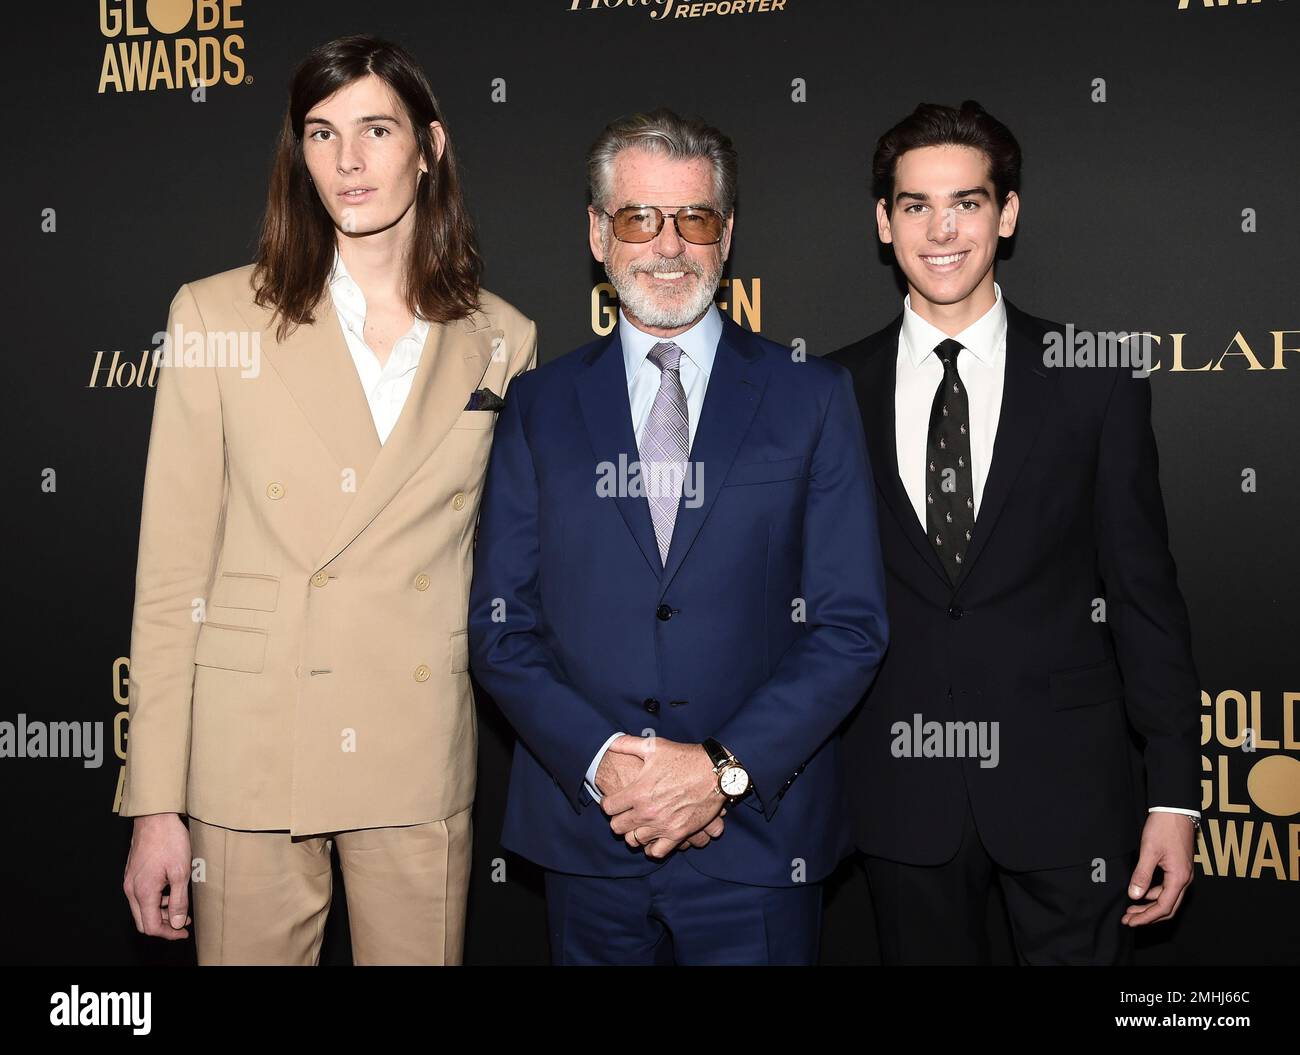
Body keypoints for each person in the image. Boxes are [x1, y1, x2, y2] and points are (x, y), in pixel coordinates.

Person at [119, 35, 536, 965]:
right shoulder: (215, 318)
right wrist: (156, 803)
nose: (347, 161)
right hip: (253, 755)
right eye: (320, 133)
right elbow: (171, 578)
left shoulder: (502, 338)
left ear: (428, 148)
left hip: (414, 747)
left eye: (375, 129)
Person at [469, 108, 888, 965]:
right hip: (591, 836)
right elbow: (503, 628)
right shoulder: (538, 408)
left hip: (761, 842)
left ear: (726, 234)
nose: (668, 246)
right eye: (638, 217)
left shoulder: (812, 398)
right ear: (598, 234)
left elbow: (850, 625)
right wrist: (605, 766)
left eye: (694, 218)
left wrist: (719, 772)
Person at [830, 100, 1201, 965]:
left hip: (1070, 792)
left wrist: (1175, 795)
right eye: (915, 205)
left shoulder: (1094, 379)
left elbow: (1146, 595)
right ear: (885, 223)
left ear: (1008, 211)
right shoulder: (828, 391)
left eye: (966, 200)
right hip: (898, 793)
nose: (942, 228)